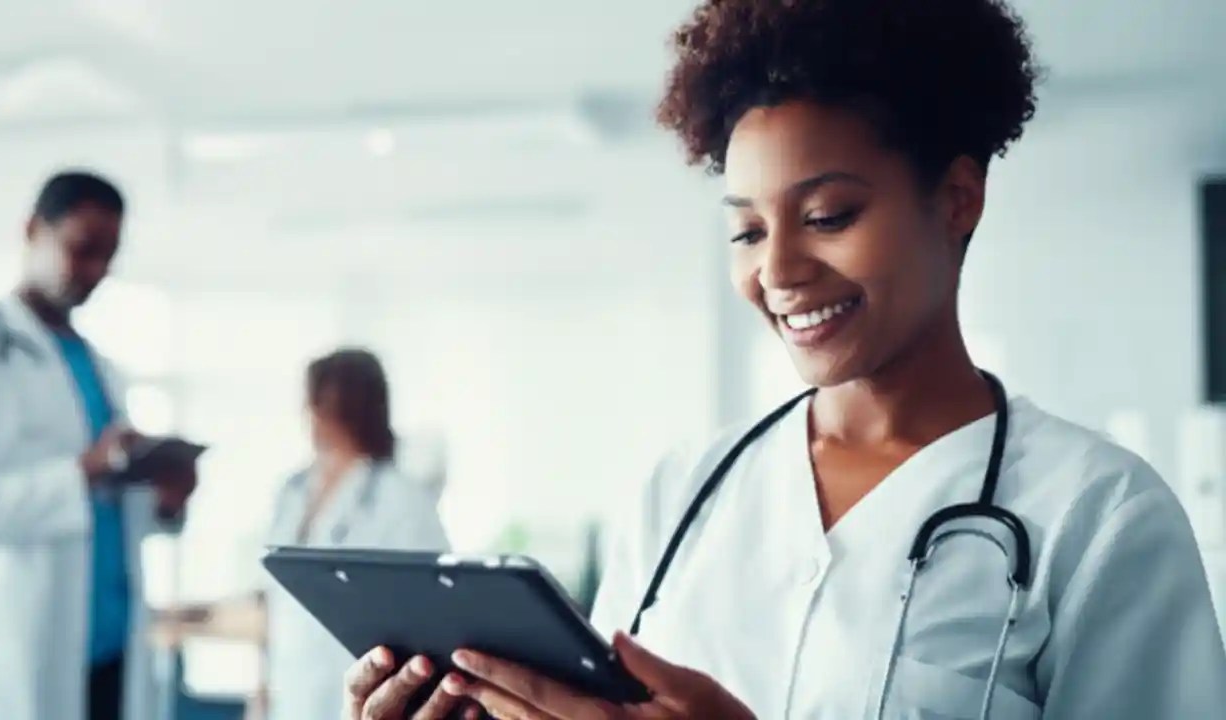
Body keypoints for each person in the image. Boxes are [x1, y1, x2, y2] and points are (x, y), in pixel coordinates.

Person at [343, 1, 1226, 718]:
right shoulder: (686, 488)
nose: (777, 272)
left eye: (829, 215)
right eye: (747, 229)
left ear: (957, 199)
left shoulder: (1098, 515)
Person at [0, 171, 198, 720]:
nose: (96, 272)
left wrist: (165, 500)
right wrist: (77, 473)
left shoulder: (102, 369)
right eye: (83, 250)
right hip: (21, 652)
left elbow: (103, 513)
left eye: (108, 256)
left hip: (110, 650)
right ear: (33, 229)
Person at [157, 348, 449, 720]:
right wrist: (261, 688)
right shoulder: (294, 490)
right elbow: (276, 600)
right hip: (288, 687)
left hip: (356, 688)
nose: (309, 413)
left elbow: (428, 611)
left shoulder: (401, 499)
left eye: (315, 401)